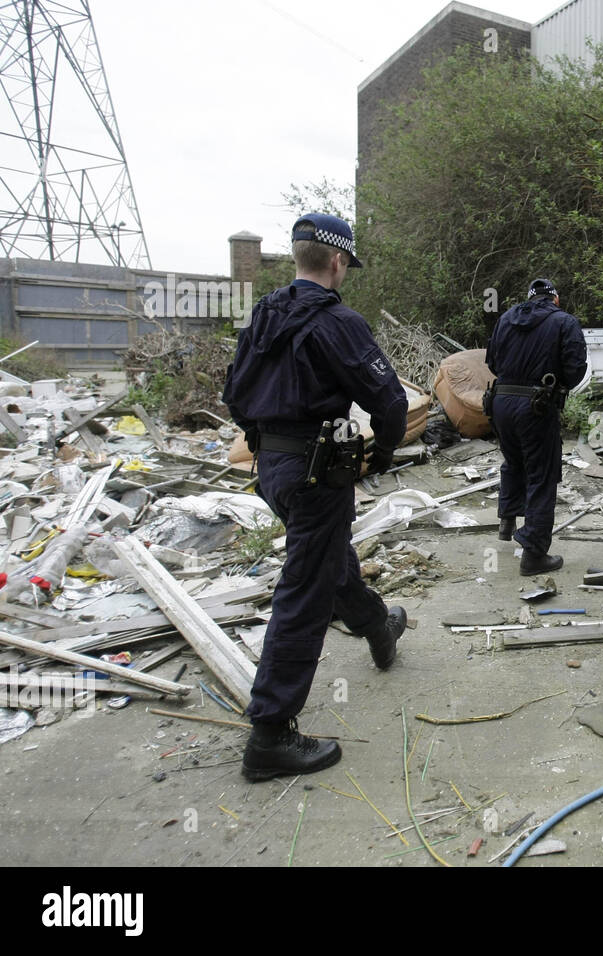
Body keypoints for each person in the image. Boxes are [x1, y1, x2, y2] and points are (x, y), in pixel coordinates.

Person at [222, 213, 409, 781]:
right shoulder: (338, 322)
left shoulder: (264, 314)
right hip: (316, 471)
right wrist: (381, 454)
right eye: (348, 262)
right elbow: (391, 402)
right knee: (304, 587)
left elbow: (235, 392)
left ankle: (377, 624)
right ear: (336, 260)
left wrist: (263, 444)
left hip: (274, 468)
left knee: (325, 558)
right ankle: (271, 733)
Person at [485, 278, 587, 575]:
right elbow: (575, 368)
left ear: (529, 298)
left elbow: (491, 361)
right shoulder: (564, 322)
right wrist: (555, 383)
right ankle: (534, 554)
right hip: (536, 405)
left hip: (501, 402)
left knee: (514, 461)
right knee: (542, 475)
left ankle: (507, 519)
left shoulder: (506, 319)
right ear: (555, 299)